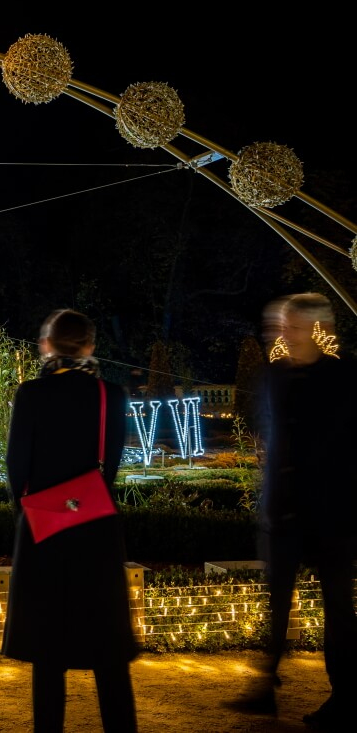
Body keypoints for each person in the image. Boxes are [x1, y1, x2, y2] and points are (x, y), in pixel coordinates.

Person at [2, 309, 138, 733]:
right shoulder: (110, 395)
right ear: (90, 346)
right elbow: (110, 467)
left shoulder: (31, 394)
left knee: (48, 648)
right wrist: (82, 501)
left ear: (47, 344)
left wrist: (31, 511)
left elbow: (15, 469)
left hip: (45, 531)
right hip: (95, 527)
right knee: (107, 646)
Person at [224, 292, 356, 730]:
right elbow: (274, 440)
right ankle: (265, 687)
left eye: (293, 327)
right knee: (277, 602)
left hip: (332, 516)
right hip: (283, 514)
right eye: (282, 326)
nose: (284, 334)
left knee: (337, 609)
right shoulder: (273, 376)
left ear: (318, 330)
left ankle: (345, 696)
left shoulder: (343, 377)